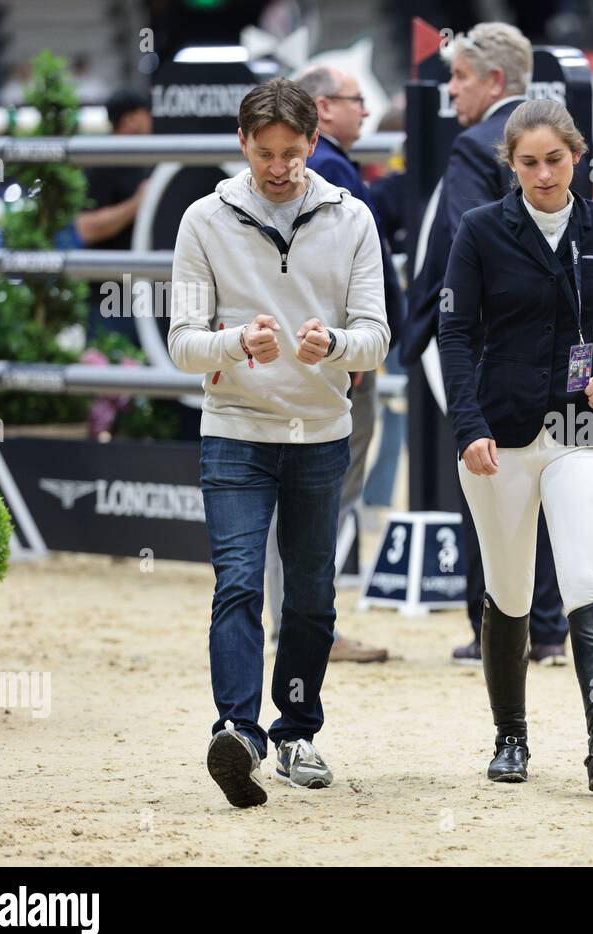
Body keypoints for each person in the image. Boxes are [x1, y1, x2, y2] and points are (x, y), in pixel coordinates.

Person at [167, 78, 390, 808]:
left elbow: (377, 339)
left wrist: (334, 347)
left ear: (314, 145)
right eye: (264, 153)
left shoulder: (353, 217)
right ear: (242, 145)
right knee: (237, 583)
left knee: (312, 599)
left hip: (321, 433)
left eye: (292, 153)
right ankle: (236, 731)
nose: (277, 167)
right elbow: (182, 345)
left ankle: (296, 733)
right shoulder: (204, 219)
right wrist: (236, 342)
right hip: (234, 430)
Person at [438, 98, 593, 791]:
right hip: (499, 425)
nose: (542, 173)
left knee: (586, 576)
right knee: (510, 589)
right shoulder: (479, 230)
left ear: (576, 156)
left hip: (580, 424)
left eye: (554, 159)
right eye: (528, 162)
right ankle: (510, 738)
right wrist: (468, 427)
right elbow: (457, 335)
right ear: (511, 164)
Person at [406, 22, 570, 666]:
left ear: (495, 81)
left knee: (493, 482)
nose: (450, 91)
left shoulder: (476, 145)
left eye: (459, 77)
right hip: (563, 344)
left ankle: (495, 633)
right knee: (556, 480)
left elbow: (461, 244)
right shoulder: (560, 137)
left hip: (492, 348)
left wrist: (430, 325)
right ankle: (553, 631)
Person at [253, 65, 405, 664]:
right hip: (331, 360)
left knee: (313, 503)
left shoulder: (334, 171)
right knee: (324, 501)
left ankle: (298, 620)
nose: (365, 111)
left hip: (325, 352)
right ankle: (309, 625)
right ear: (323, 107)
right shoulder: (333, 174)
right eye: (354, 100)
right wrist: (354, 347)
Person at [76, 89, 154, 345]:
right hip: (108, 299)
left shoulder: (152, 160)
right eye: (146, 115)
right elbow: (85, 228)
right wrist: (136, 204)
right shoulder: (103, 164)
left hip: (150, 296)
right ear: (130, 120)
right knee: (109, 376)